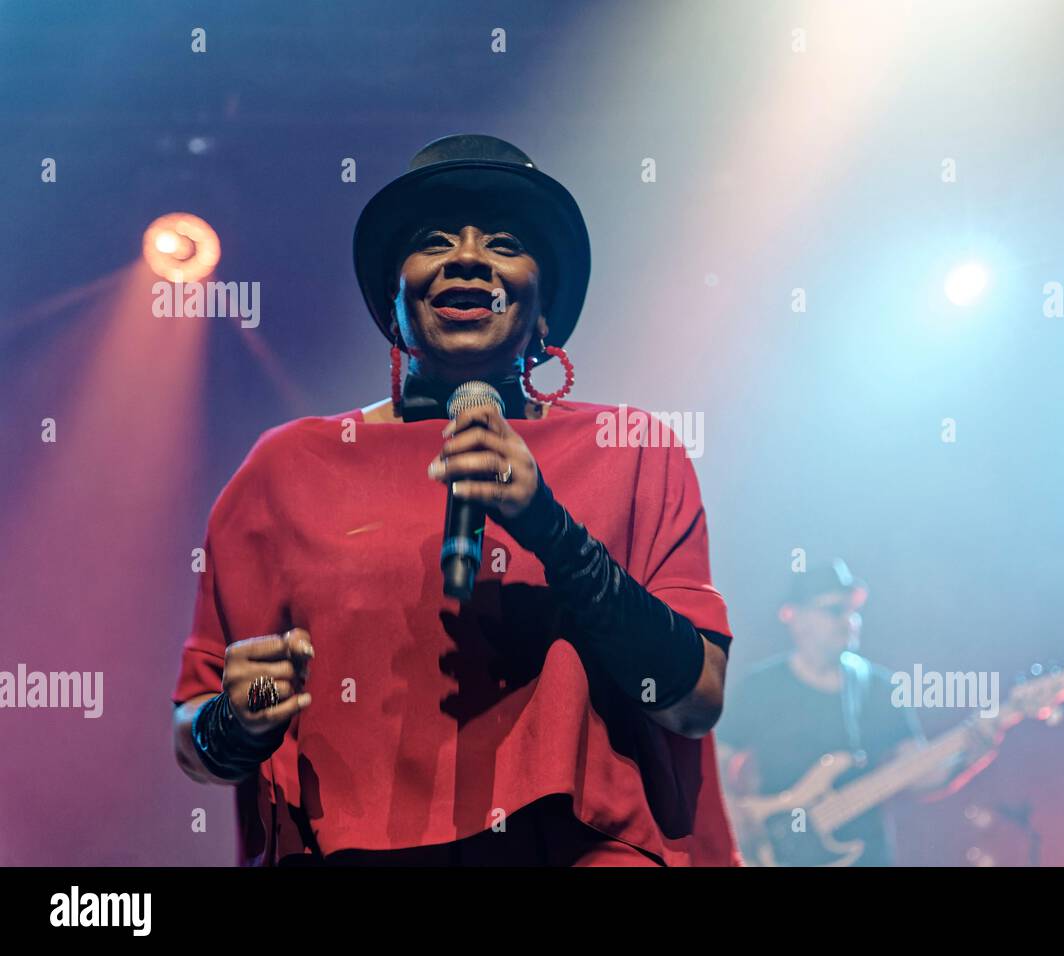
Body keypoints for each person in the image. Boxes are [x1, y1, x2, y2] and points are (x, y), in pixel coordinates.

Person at [170, 133, 738, 866]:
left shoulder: (632, 449)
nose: (467, 256)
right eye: (434, 241)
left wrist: (550, 527)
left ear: (544, 313)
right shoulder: (289, 468)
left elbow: (693, 701)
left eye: (504, 243)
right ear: (394, 302)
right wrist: (231, 725)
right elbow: (192, 742)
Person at [717, 559, 975, 867]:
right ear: (795, 618)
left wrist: (981, 740)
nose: (849, 621)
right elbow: (713, 759)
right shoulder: (760, 687)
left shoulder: (880, 688)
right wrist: (730, 812)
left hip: (865, 856)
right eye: (834, 610)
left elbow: (921, 774)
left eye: (853, 611)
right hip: (775, 853)